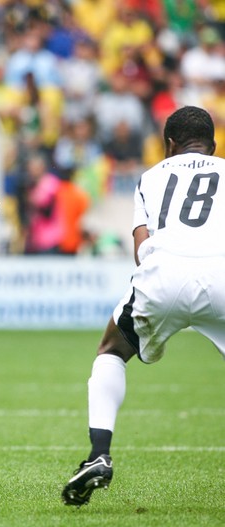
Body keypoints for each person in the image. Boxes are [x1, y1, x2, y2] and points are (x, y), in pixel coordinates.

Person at [62, 106, 225, 505]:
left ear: (169, 144)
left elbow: (141, 250)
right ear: (213, 144)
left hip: (163, 273)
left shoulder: (151, 177)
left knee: (111, 350)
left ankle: (99, 455)